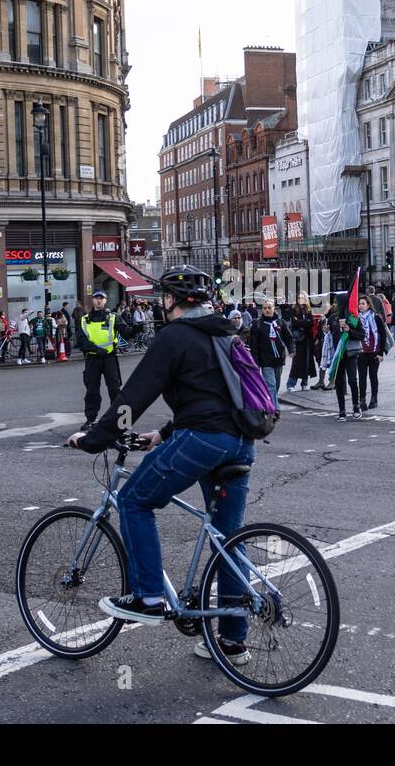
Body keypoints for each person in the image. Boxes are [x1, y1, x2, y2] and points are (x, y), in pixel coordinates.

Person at [65, 265, 257, 666]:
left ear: (171, 300)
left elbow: (133, 397)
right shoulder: (225, 332)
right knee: (227, 538)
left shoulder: (174, 336)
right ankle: (232, 641)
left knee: (133, 500)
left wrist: (94, 438)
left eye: (162, 298)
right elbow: (217, 393)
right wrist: (165, 434)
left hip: (204, 439)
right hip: (240, 441)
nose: (160, 304)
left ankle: (149, 597)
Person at [75, 290, 136, 431]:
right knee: (92, 391)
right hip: (92, 359)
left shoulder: (113, 317)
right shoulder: (85, 319)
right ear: (92, 300)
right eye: (96, 298)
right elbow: (82, 340)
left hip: (109, 358)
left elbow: (125, 332)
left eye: (101, 298)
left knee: (115, 389)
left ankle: (120, 421)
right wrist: (96, 349)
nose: (99, 300)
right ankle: (90, 420)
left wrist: (135, 330)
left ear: (105, 300)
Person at [247, 298, 293, 412]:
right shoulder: (257, 324)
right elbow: (254, 345)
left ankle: (271, 400)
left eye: (269, 308)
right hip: (265, 360)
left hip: (279, 359)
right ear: (261, 310)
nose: (267, 310)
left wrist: (291, 350)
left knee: (276, 385)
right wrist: (255, 363)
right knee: (271, 385)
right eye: (264, 308)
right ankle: (274, 409)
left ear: (274, 308)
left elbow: (289, 338)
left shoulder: (281, 322)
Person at [332, 296, 364, 420]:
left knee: (352, 380)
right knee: (339, 382)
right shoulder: (333, 317)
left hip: (351, 354)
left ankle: (356, 406)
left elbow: (362, 335)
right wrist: (325, 330)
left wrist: (349, 330)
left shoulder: (354, 318)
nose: (334, 304)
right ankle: (342, 410)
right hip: (338, 354)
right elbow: (328, 335)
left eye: (336, 302)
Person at [356, 294, 388, 409]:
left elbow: (383, 335)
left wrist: (381, 353)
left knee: (373, 376)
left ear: (369, 305)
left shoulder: (376, 317)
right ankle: (362, 399)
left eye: (363, 303)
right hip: (361, 352)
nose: (360, 306)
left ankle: (374, 399)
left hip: (374, 351)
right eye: (359, 303)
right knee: (362, 376)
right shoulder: (356, 318)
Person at [285, 294, 318, 391]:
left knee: (307, 362)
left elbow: (311, 322)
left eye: (303, 298)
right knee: (296, 362)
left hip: (307, 340)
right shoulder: (294, 309)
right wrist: (304, 322)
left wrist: (300, 322)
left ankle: (304, 383)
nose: (301, 299)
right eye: (299, 298)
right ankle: (290, 385)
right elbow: (294, 323)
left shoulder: (308, 310)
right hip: (298, 340)